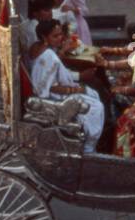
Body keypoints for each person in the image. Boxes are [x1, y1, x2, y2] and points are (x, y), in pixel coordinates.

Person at [30, 20, 106, 151]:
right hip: (52, 98)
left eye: (61, 34)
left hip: (55, 91)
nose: (60, 38)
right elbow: (49, 88)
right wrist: (75, 89)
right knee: (96, 107)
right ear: (44, 37)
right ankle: (88, 146)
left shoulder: (41, 48)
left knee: (93, 93)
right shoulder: (48, 56)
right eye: (55, 36)